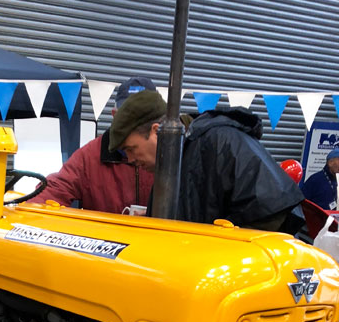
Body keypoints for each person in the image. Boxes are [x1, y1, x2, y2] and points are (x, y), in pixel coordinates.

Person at [109, 91, 304, 232]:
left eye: (131, 149)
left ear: (156, 131)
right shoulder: (172, 163)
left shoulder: (221, 141)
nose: (130, 159)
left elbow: (275, 210)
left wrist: (222, 247)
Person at [31, 76, 157, 214]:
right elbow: (55, 189)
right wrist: (31, 211)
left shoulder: (173, 158)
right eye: (129, 116)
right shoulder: (90, 157)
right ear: (115, 115)